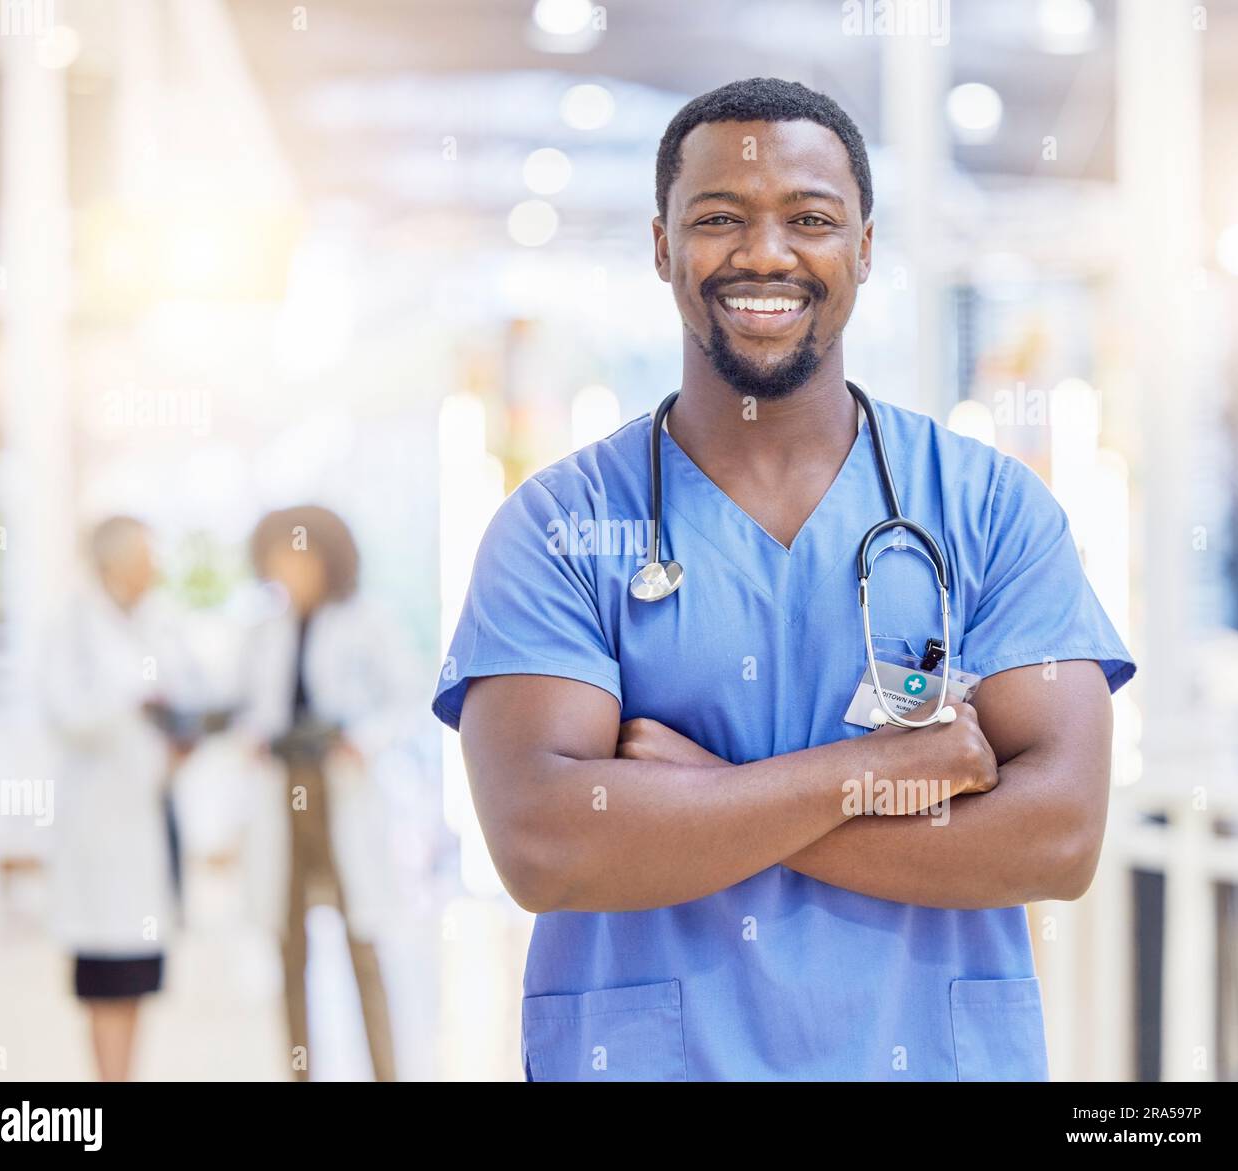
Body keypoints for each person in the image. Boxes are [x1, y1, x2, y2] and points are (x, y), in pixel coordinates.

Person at [433, 78, 1138, 1081]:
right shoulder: (560, 526)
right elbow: (547, 846)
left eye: (809, 219)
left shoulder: (990, 509)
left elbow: (1057, 836)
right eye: (718, 219)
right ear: (661, 246)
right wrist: (879, 778)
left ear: (862, 246)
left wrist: (703, 803)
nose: (765, 253)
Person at [241, 505, 401, 1082]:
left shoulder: (366, 621)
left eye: (297, 554)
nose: (286, 568)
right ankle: (299, 1071)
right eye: (277, 557)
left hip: (340, 786)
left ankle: (387, 1071)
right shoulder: (263, 630)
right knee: (288, 945)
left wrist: (362, 738)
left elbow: (402, 701)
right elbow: (246, 708)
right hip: (282, 789)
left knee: (363, 941)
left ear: (326, 558)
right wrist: (253, 738)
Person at [43, 516, 192, 1081]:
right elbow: (66, 713)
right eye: (145, 556)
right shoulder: (72, 626)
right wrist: (133, 698)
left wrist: (177, 735)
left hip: (145, 821)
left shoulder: (152, 623)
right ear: (115, 562)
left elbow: (175, 692)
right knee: (105, 977)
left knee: (135, 974)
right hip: (97, 830)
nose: (154, 567)